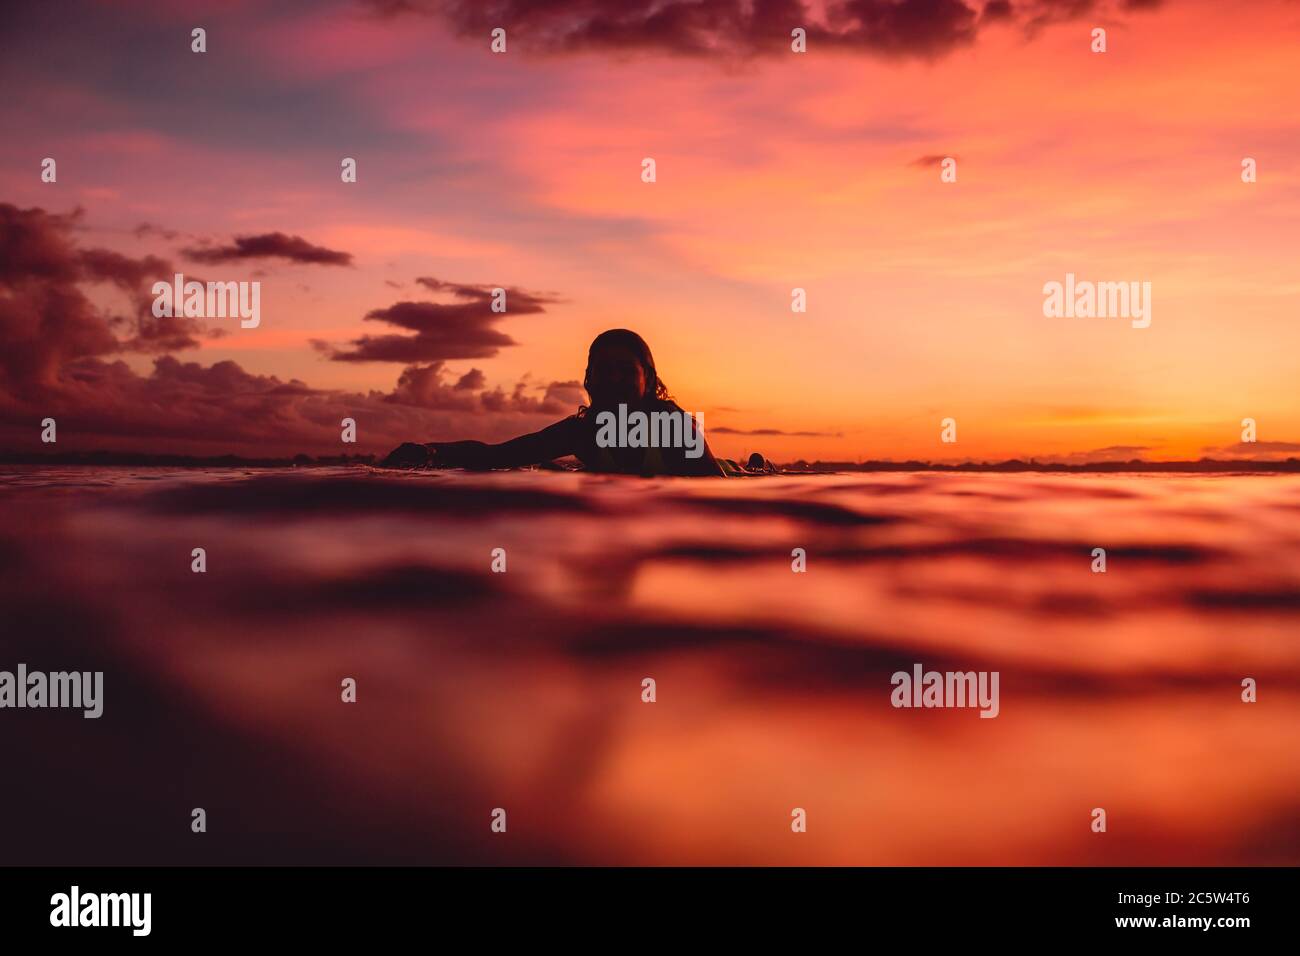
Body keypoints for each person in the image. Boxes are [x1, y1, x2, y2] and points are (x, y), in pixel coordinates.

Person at [381, 329, 728, 476]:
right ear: (589, 380)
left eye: (625, 371)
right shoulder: (584, 432)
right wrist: (431, 452)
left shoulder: (673, 427)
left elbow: (715, 490)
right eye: (605, 371)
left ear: (649, 381)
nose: (615, 380)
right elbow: (498, 456)